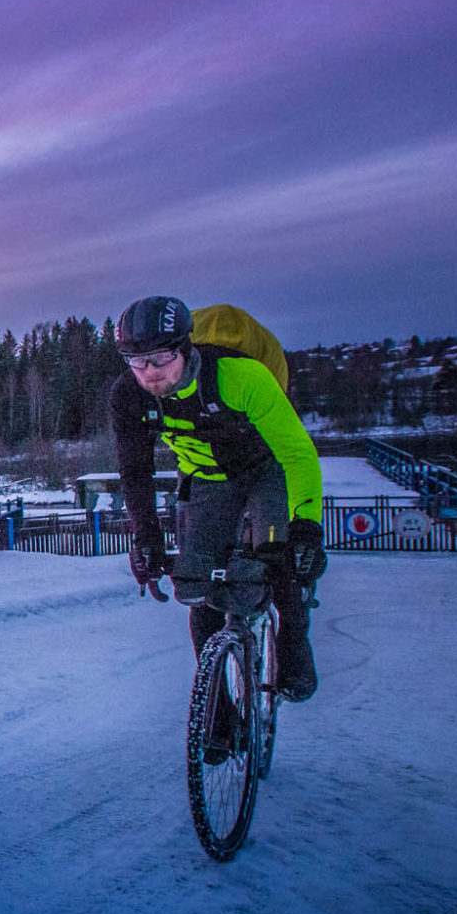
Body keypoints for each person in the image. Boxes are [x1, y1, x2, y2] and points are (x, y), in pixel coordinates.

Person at [108, 295, 326, 704]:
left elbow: (297, 454)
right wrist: (146, 538)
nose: (150, 372)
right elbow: (135, 472)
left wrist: (307, 528)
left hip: (264, 469)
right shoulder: (128, 396)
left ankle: (294, 642)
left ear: (185, 347)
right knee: (198, 582)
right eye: (137, 361)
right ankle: (217, 708)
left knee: (280, 555)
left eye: (161, 357)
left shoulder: (239, 377)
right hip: (205, 476)